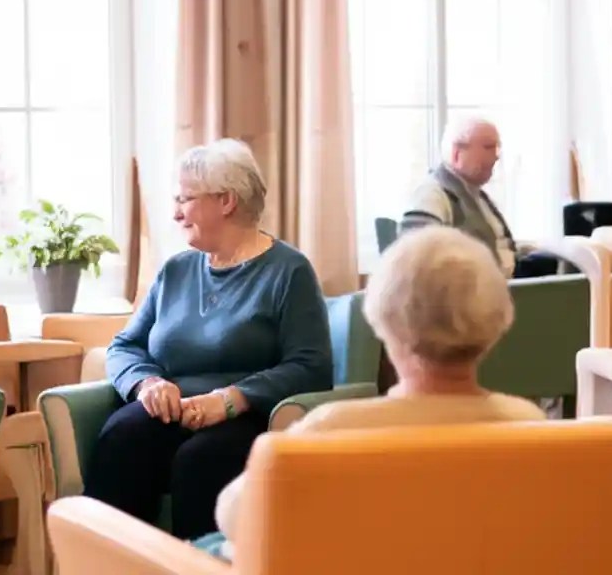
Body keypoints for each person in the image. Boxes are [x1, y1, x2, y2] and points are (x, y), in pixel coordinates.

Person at [207, 227, 546, 559]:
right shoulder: (529, 422)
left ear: (385, 320)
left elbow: (235, 514)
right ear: (494, 322)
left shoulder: (331, 428)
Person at [87, 138, 334, 540]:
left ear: (226, 201)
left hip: (250, 417)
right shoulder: (176, 271)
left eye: (184, 199)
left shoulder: (289, 272)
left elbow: (311, 367)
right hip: (174, 410)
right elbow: (124, 346)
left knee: (200, 459)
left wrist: (231, 399)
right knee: (123, 436)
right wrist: (146, 382)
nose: (175, 213)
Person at [400, 116, 557, 278]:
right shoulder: (432, 193)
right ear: (457, 153)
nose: (497, 156)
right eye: (489, 147)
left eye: (497, 148)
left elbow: (501, 245)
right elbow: (418, 254)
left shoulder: (477, 195)